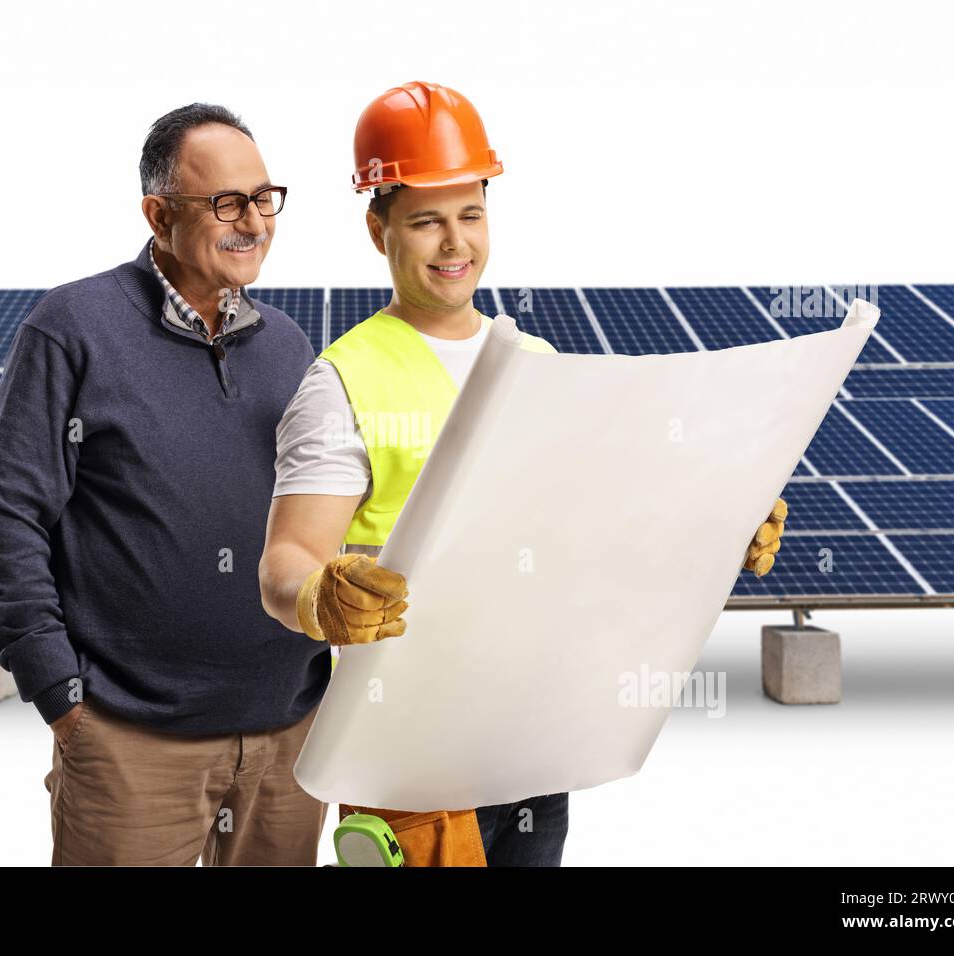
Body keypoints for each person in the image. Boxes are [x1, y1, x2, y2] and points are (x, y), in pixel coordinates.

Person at [259, 81, 787, 866]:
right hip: (413, 756)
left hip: (536, 741)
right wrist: (316, 595)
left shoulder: (537, 365)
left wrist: (719, 519)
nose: (454, 243)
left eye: (470, 214)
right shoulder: (344, 382)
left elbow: (605, 529)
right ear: (378, 229)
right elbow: (284, 561)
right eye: (426, 221)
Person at [0, 103, 331, 865]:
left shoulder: (289, 346)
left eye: (266, 198)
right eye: (226, 202)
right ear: (158, 214)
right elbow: (7, 525)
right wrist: (64, 700)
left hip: (288, 742)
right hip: (131, 747)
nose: (255, 222)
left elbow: (313, 520)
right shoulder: (73, 328)